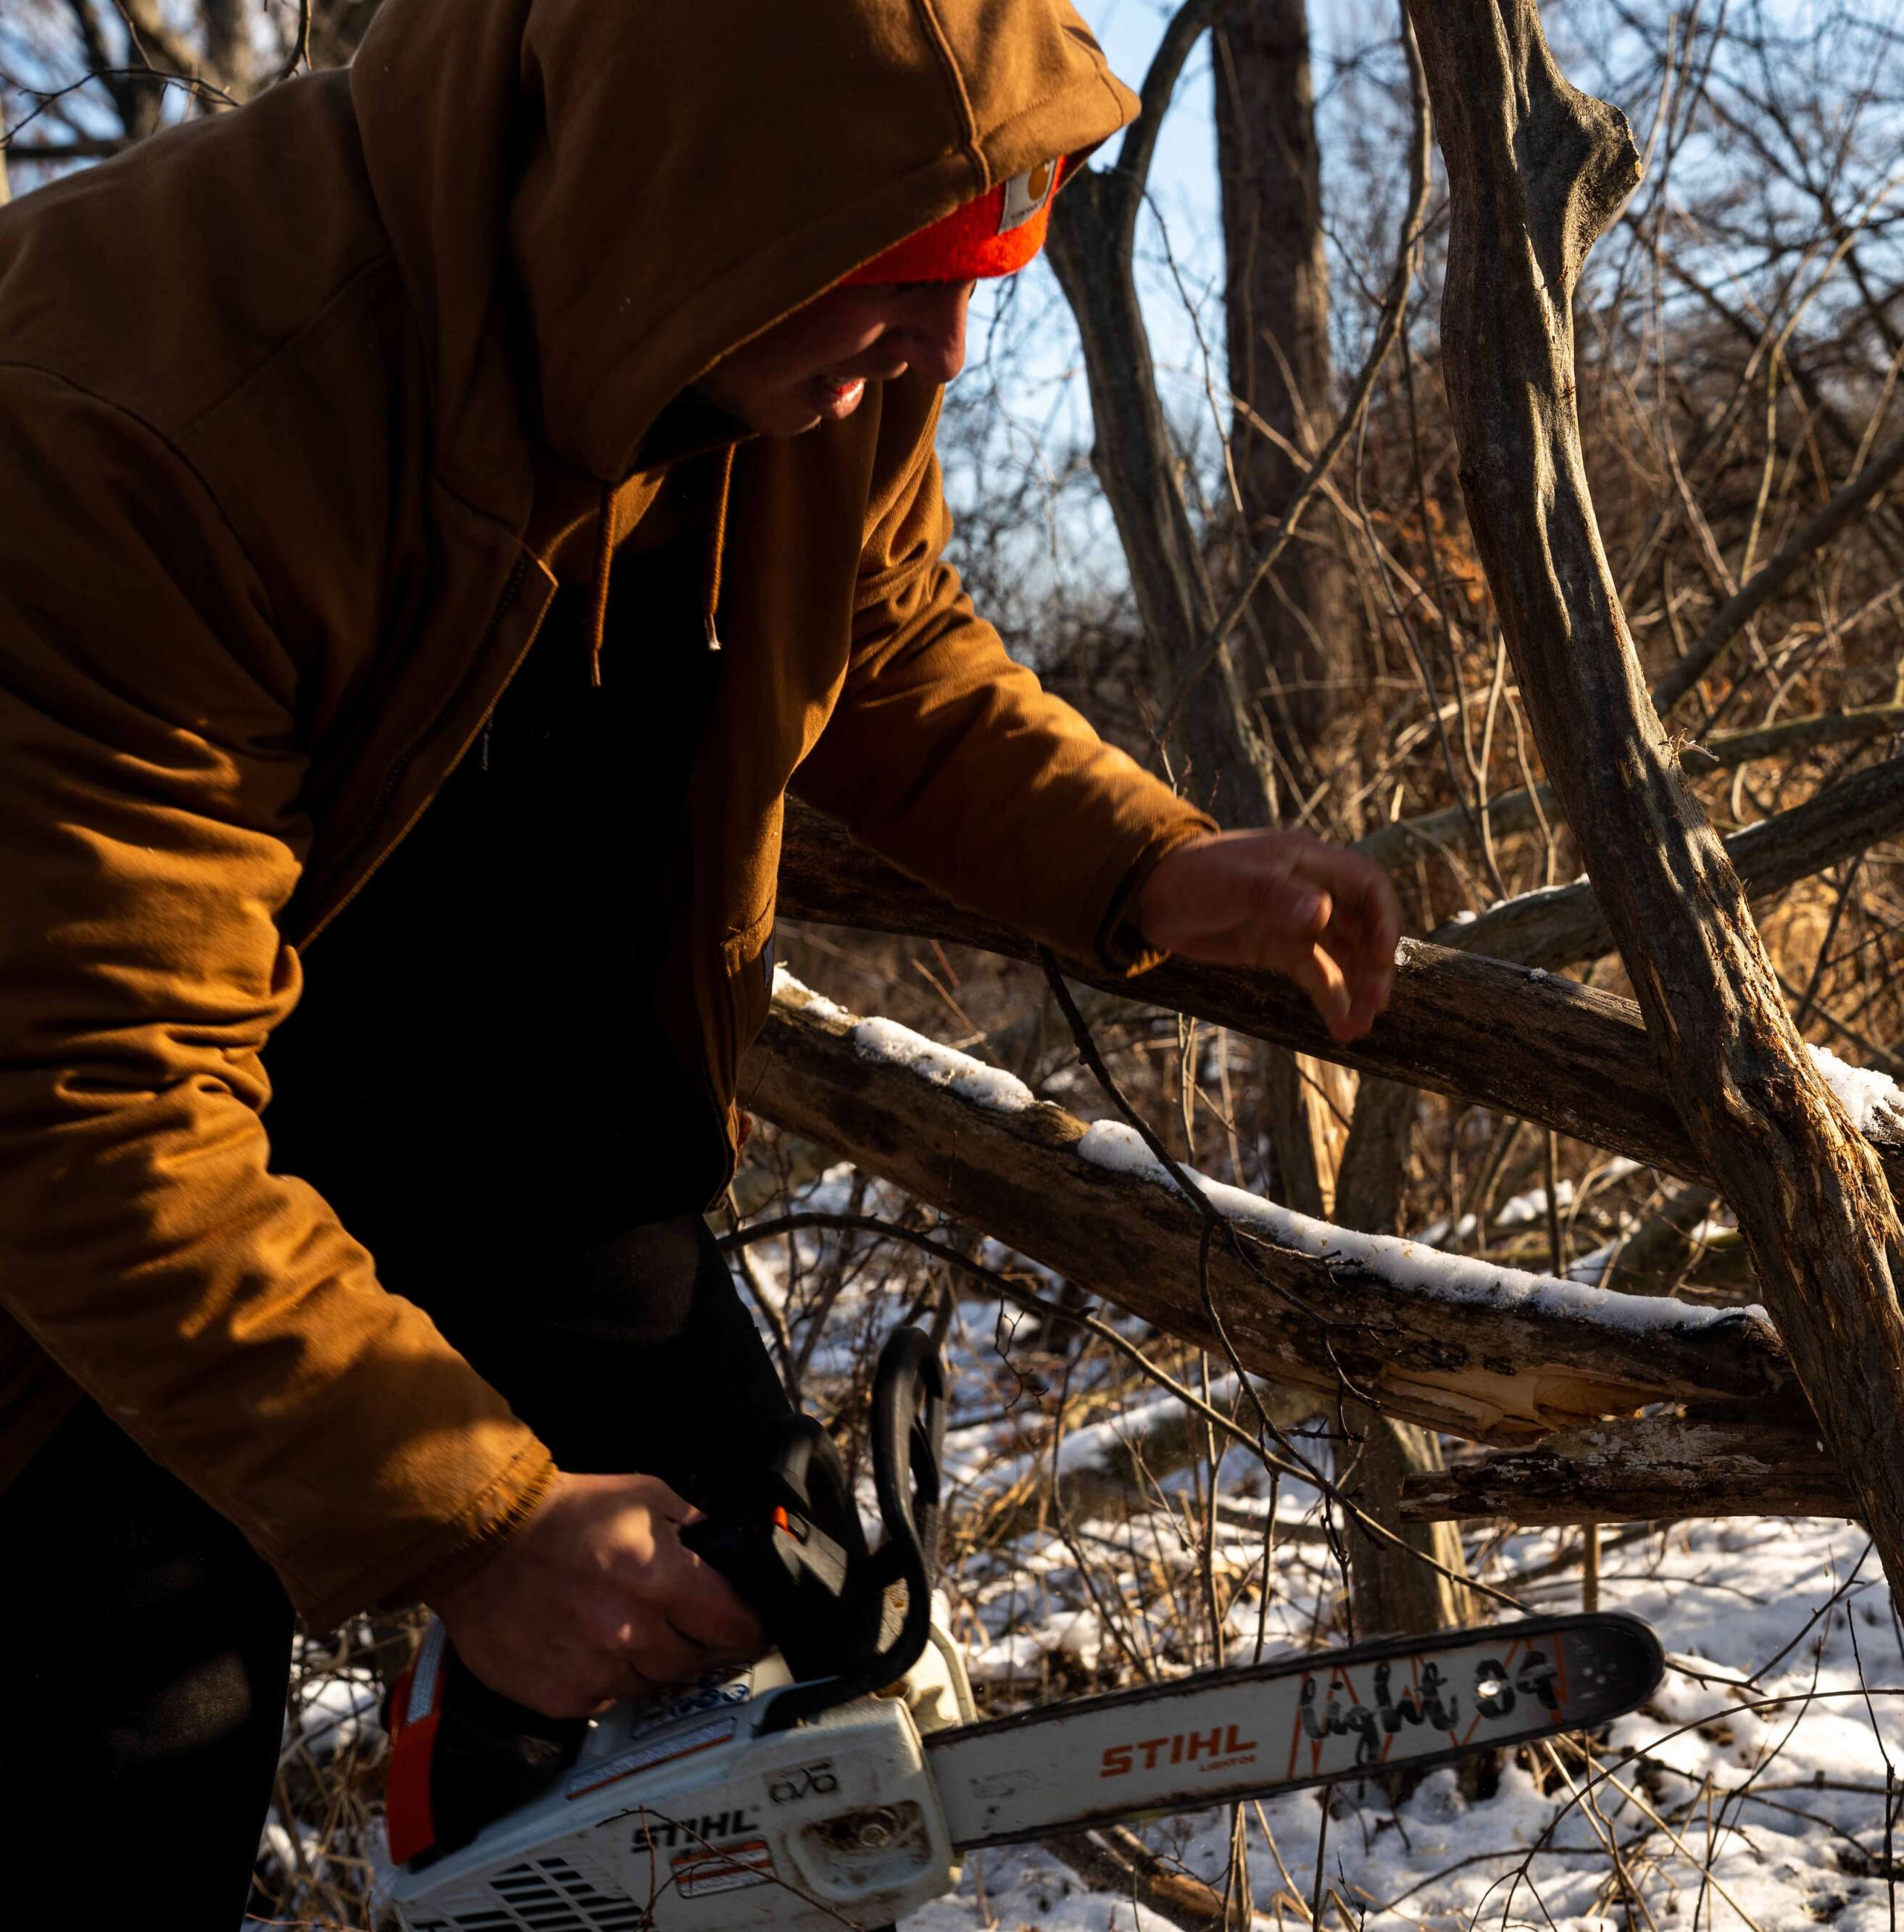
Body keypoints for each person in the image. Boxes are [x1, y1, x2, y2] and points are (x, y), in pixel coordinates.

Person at [0, 0, 1400, 1919]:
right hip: (91, 1259)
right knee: (117, 1778)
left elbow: (883, 638)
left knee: (799, 1679)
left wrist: (1142, 864)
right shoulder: (141, 404)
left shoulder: (818, 328)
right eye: (903, 285)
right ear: (683, 216)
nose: (948, 345)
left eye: (985, 272)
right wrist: (475, 1516)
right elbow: (88, 1111)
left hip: (528, 1118)